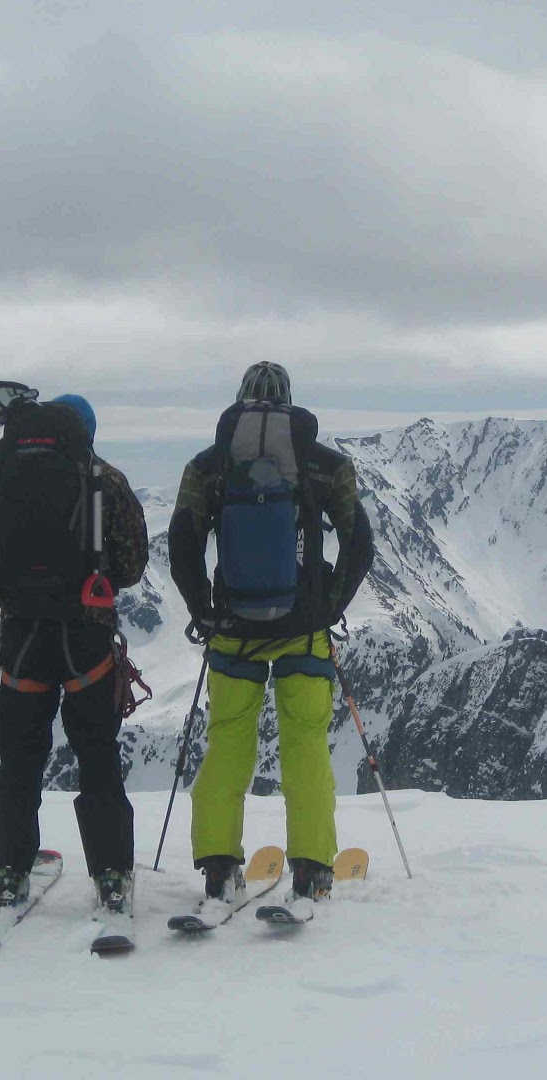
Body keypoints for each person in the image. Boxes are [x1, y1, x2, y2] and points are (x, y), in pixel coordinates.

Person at [167, 361, 374, 908]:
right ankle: (311, 871)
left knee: (228, 741)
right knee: (304, 744)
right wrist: (330, 605)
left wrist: (203, 610)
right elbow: (360, 542)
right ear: (288, 402)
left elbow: (182, 543)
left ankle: (218, 870)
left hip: (233, 630)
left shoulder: (209, 466)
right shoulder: (325, 465)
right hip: (303, 631)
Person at [0, 393, 149, 916]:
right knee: (97, 756)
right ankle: (110, 873)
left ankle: (9, 872)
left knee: (19, 760)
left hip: (21, 638)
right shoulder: (102, 478)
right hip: (86, 638)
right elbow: (133, 563)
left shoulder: (1, 473)